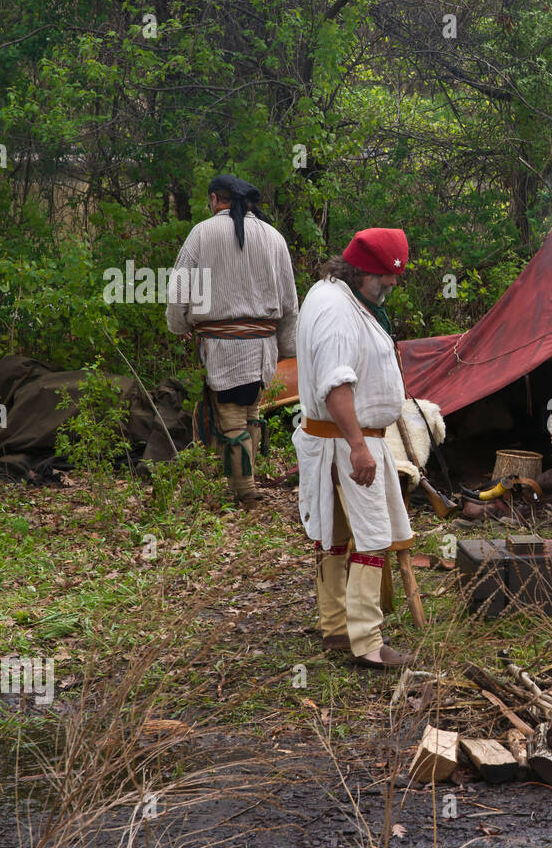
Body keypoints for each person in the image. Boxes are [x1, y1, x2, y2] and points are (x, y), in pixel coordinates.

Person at [293, 228, 415, 667]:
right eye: (385, 275)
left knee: (338, 538)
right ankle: (368, 643)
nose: (392, 284)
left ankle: (336, 628)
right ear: (361, 270)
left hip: (342, 440)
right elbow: (336, 385)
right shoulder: (337, 311)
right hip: (347, 443)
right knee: (371, 540)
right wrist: (359, 447)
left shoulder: (336, 296)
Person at [166, 174, 298, 510]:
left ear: (214, 199)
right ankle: (245, 487)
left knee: (233, 418)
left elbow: (179, 286)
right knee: (249, 412)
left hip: (223, 346)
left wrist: (178, 324)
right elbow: (289, 302)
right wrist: (287, 348)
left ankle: (246, 491)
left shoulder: (202, 232)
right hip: (262, 347)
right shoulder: (274, 237)